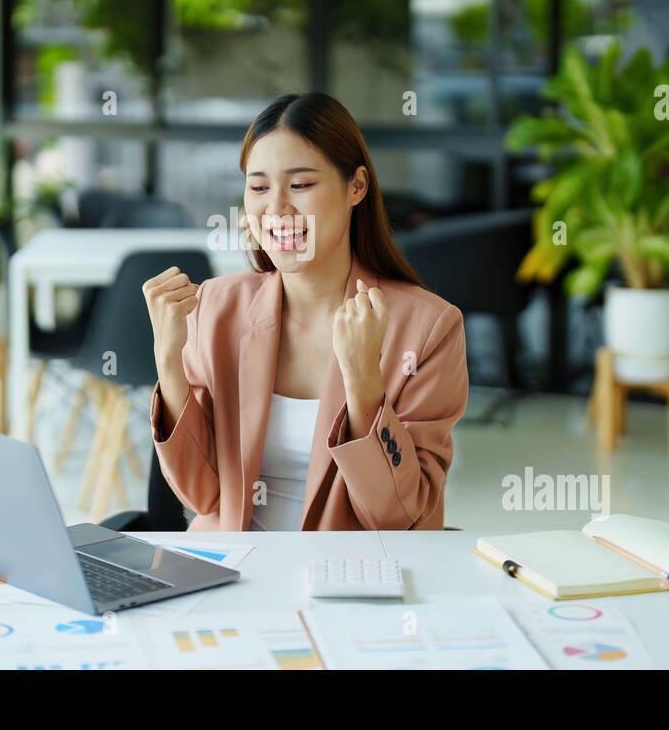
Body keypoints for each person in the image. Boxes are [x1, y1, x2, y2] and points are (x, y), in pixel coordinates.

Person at [143, 92, 468, 531]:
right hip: (233, 572)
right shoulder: (214, 309)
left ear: (356, 187)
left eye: (300, 185)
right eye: (259, 187)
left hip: (354, 582)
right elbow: (202, 495)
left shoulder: (428, 328)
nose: (276, 209)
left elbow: (399, 517)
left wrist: (364, 385)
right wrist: (169, 360)